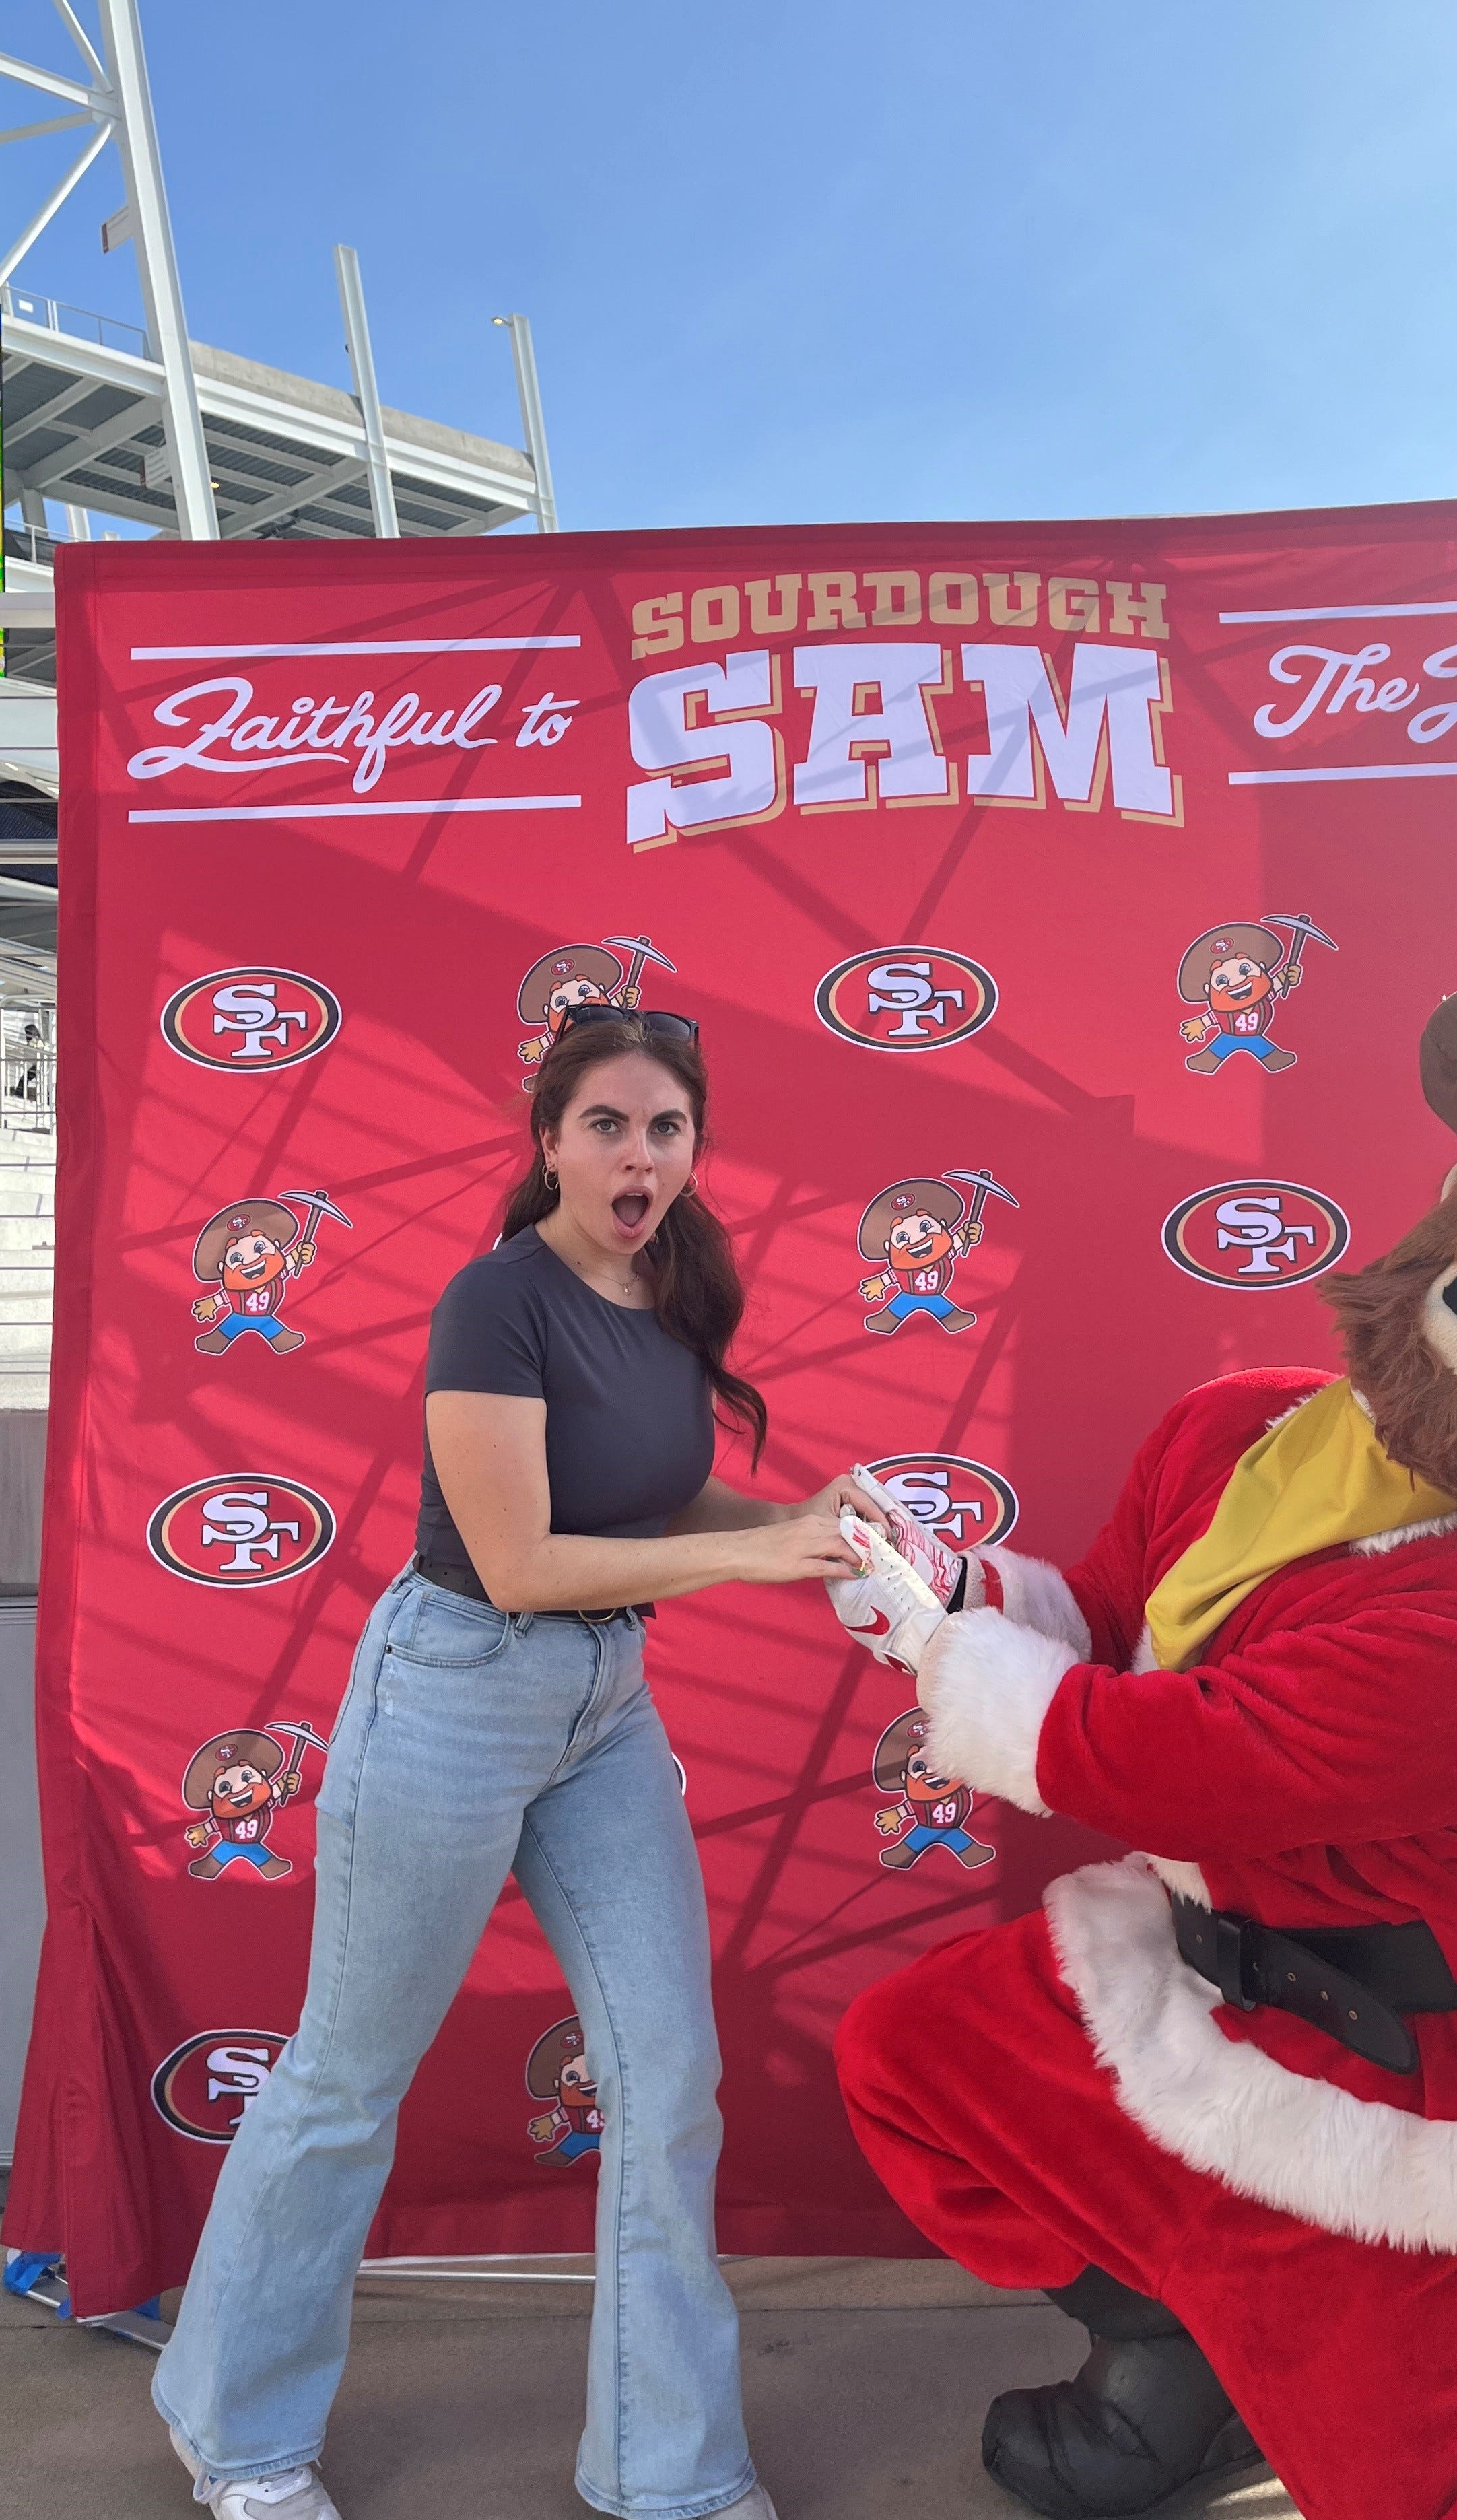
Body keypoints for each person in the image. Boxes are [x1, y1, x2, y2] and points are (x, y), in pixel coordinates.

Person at [823, 937, 1457, 2520]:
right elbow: (1109, 1618)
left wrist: (957, 1665)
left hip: (1391, 2086)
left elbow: (1166, 1756)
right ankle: (1185, 2363)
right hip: (1190, 1982)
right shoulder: (1244, 1424)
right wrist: (945, 1593)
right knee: (920, 2065)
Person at [153, 1004, 888, 2520]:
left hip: (604, 1707)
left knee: (671, 2075)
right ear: (550, 1141)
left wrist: (805, 1518)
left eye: (666, 1127)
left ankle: (670, 2472)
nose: (639, 1155)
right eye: (608, 1125)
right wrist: (761, 1566)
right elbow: (516, 1557)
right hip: (457, 1689)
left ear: (696, 1147)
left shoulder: (669, 1290)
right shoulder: (498, 1300)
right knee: (351, 2076)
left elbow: (655, 1510)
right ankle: (235, 2434)